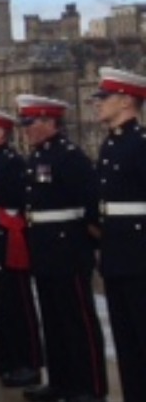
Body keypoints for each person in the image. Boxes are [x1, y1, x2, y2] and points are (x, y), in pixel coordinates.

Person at [19, 94, 108, 402]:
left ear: (49, 122)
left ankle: (90, 386)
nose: (25, 129)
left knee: (78, 321)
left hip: (68, 250)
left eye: (30, 122)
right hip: (45, 251)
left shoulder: (70, 157)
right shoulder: (37, 157)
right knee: (53, 321)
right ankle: (61, 381)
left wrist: (89, 243)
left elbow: (91, 205)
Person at [0, 105, 43, 389]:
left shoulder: (11, 163)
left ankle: (28, 362)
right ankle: (6, 358)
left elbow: (17, 203)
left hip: (9, 240)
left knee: (18, 304)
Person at [92, 66, 146, 402]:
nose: (99, 103)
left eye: (105, 97)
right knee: (125, 341)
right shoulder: (111, 145)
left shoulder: (139, 145)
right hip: (116, 253)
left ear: (126, 101)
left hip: (138, 254)